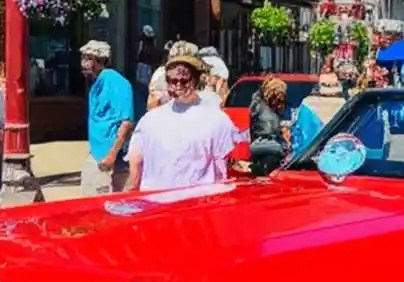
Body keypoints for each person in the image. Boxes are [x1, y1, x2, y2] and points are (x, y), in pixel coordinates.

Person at [126, 54, 240, 191]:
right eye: (173, 81)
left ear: (196, 81)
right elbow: (136, 162)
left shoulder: (217, 120)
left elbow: (222, 169)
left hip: (195, 204)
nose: (178, 85)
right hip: (156, 203)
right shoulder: (149, 121)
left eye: (184, 81)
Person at [80, 40, 134, 195]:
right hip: (97, 151)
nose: (83, 63)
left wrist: (112, 154)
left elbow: (126, 122)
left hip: (113, 156)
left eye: (88, 59)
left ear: (100, 61)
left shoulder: (116, 82)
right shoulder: (98, 83)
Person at [291, 72, 347, 153]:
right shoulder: (344, 104)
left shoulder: (307, 104)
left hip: (307, 155)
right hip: (336, 156)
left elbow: (297, 135)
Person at [249, 76, 289, 177]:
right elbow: (270, 133)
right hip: (269, 148)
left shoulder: (257, 104)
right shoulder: (268, 115)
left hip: (256, 147)